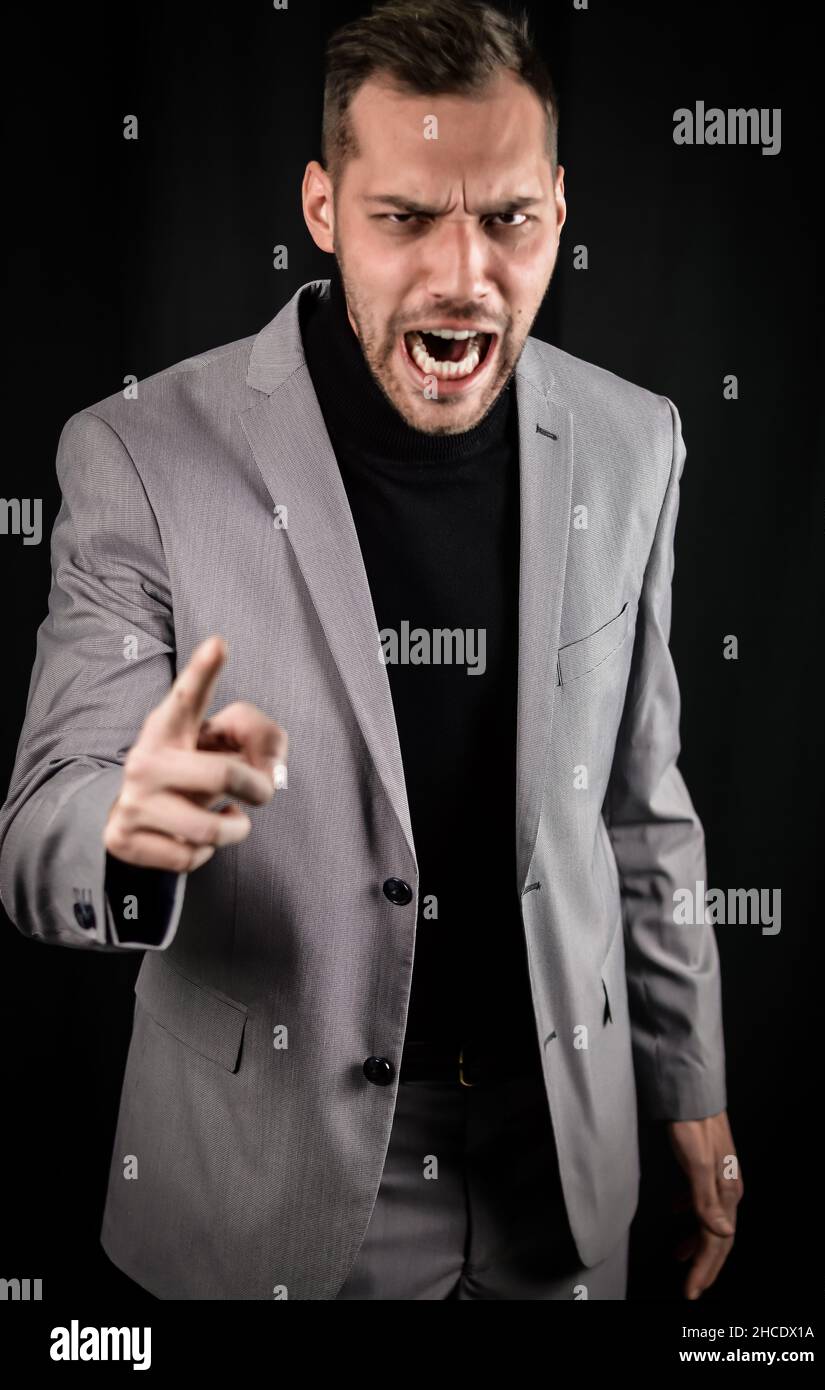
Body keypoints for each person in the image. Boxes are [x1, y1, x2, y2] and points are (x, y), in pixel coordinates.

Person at [0, 0, 742, 1300]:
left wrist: (690, 1090)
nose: (464, 275)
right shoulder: (138, 454)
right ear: (326, 208)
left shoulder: (638, 446)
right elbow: (43, 819)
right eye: (406, 217)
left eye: (508, 217)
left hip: (562, 1168)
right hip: (269, 1189)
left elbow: (644, 811)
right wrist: (124, 827)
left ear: (560, 212)